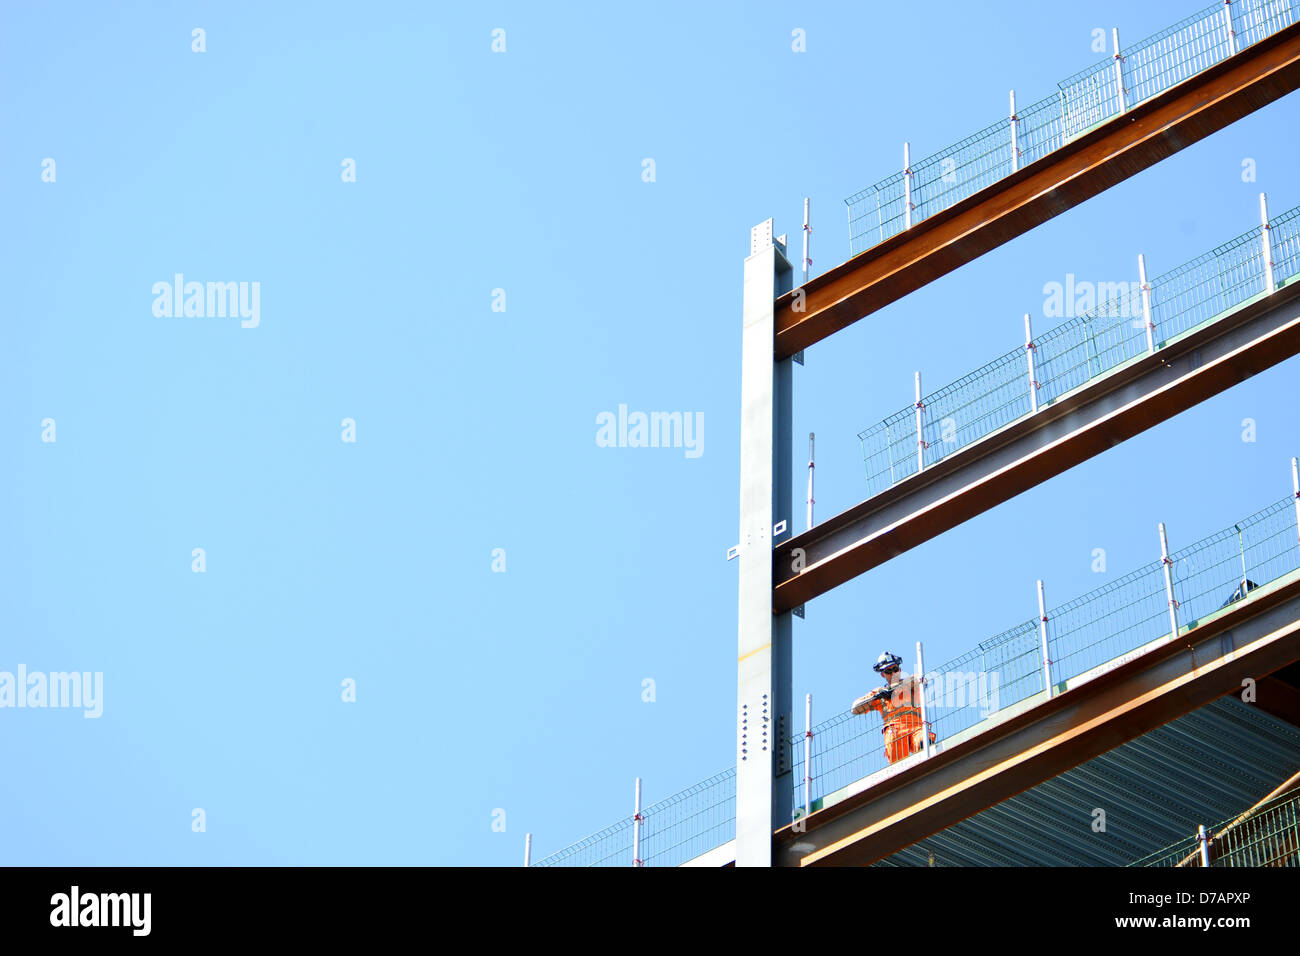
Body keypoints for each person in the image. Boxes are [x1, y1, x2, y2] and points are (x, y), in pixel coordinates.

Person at [851, 651, 936, 763]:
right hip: (895, 731)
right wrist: (876, 697)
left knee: (925, 742)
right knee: (898, 764)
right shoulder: (880, 693)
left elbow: (921, 679)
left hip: (917, 727)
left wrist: (894, 689)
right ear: (883, 674)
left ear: (900, 670)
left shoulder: (910, 683)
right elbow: (855, 708)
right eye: (888, 671)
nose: (893, 673)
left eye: (895, 669)